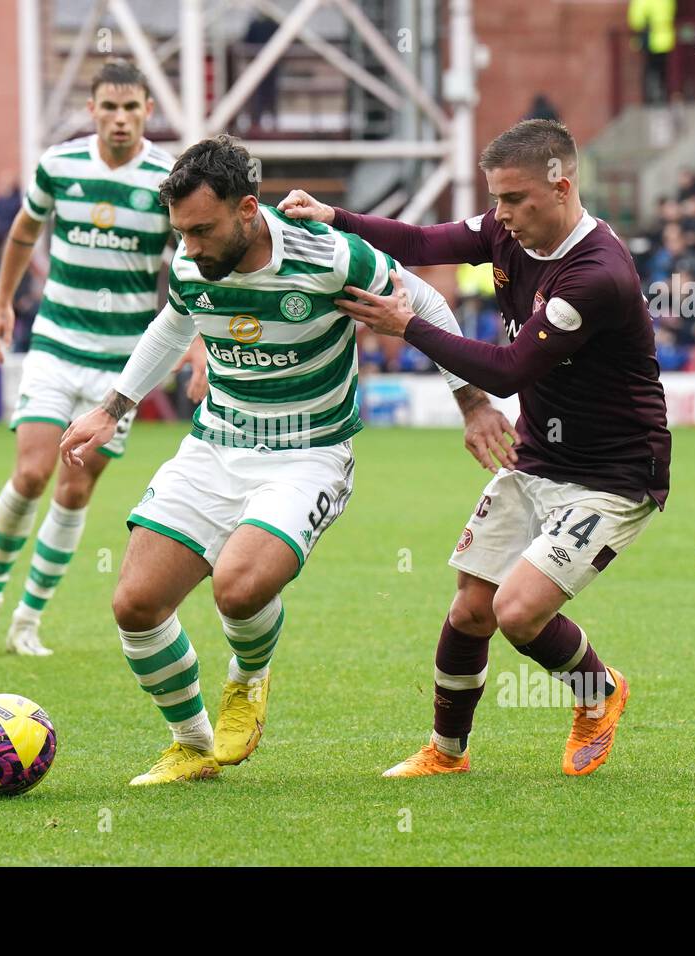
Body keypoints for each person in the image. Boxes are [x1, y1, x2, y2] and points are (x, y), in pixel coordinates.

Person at [58, 135, 507, 786]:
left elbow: (426, 304)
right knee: (134, 604)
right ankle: (191, 746)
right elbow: (173, 324)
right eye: (180, 233)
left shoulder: (329, 256)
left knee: (237, 587)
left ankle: (248, 676)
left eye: (203, 230)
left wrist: (472, 403)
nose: (190, 248)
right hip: (216, 445)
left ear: (247, 210)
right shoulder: (193, 261)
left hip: (308, 454)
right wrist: (112, 407)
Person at [279, 118, 672, 778]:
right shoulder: (502, 229)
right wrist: (333, 216)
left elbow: (511, 370)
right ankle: (447, 753)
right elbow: (421, 239)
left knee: (516, 611)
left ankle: (598, 693)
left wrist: (407, 327)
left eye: (515, 199)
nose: (502, 215)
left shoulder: (594, 276)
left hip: (614, 472)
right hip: (540, 456)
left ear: (562, 185)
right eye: (496, 199)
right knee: (469, 607)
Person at [0, 60, 191, 659]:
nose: (119, 118)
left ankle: (28, 619)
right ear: (92, 109)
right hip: (56, 344)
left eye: (131, 108)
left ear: (147, 112)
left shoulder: (167, 181)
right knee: (31, 472)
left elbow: (191, 266)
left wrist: (196, 341)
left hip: (123, 366)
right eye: (109, 107)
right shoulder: (59, 165)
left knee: (75, 490)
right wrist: (2, 302)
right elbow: (23, 232)